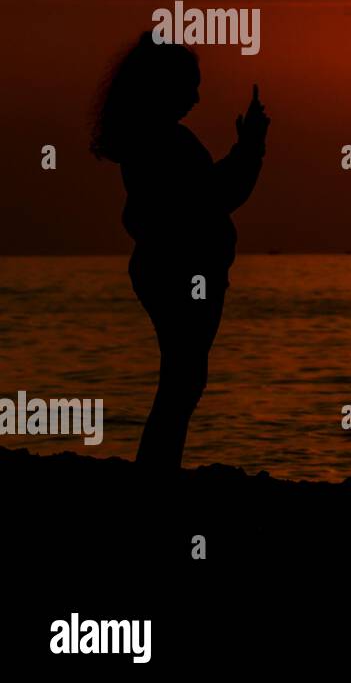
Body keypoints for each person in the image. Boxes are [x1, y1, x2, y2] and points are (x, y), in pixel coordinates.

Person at [91, 32, 270, 470]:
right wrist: (250, 148)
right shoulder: (164, 144)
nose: (196, 96)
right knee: (183, 378)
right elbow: (214, 197)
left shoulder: (153, 141)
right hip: (184, 273)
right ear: (162, 87)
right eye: (188, 85)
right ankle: (156, 471)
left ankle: (157, 468)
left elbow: (207, 197)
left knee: (183, 377)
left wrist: (247, 150)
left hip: (173, 271)